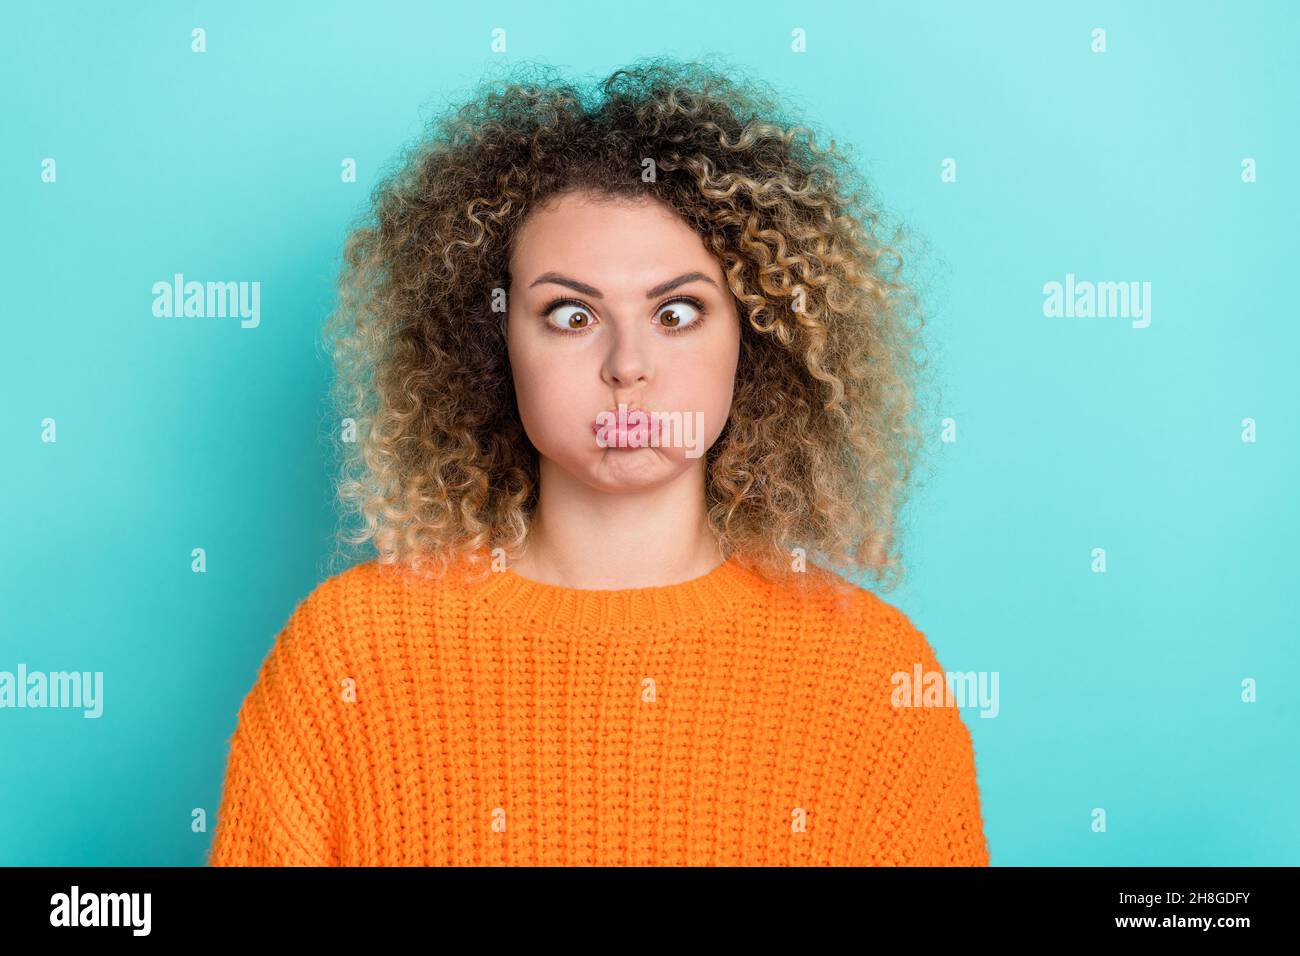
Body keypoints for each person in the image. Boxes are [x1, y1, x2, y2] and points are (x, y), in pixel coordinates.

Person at [208, 56, 990, 867]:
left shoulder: (875, 677)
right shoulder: (347, 658)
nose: (627, 365)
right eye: (571, 314)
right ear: (492, 344)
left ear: (753, 342)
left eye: (678, 312)